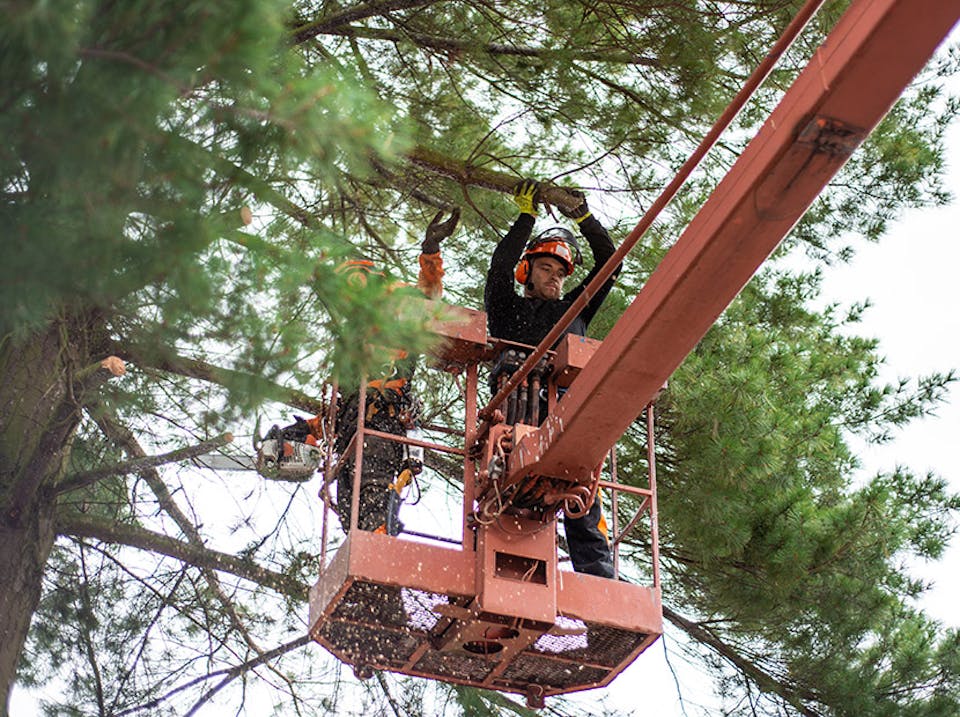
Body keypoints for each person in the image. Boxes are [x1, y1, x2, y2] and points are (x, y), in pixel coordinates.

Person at [282, 208, 459, 535]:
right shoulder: (351, 342)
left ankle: (378, 550)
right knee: (351, 518)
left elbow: (429, 297)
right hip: (351, 436)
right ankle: (365, 565)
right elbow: (345, 409)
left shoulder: (398, 314)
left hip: (380, 426)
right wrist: (306, 430)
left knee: (374, 497)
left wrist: (431, 250)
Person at [484, 179, 620, 578]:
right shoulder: (507, 308)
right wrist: (526, 217)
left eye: (561, 273)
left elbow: (611, 262)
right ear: (527, 271)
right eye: (546, 268)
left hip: (566, 418)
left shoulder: (573, 311)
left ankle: (599, 582)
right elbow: (499, 266)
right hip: (513, 420)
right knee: (499, 502)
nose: (555, 278)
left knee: (583, 497)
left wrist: (585, 217)